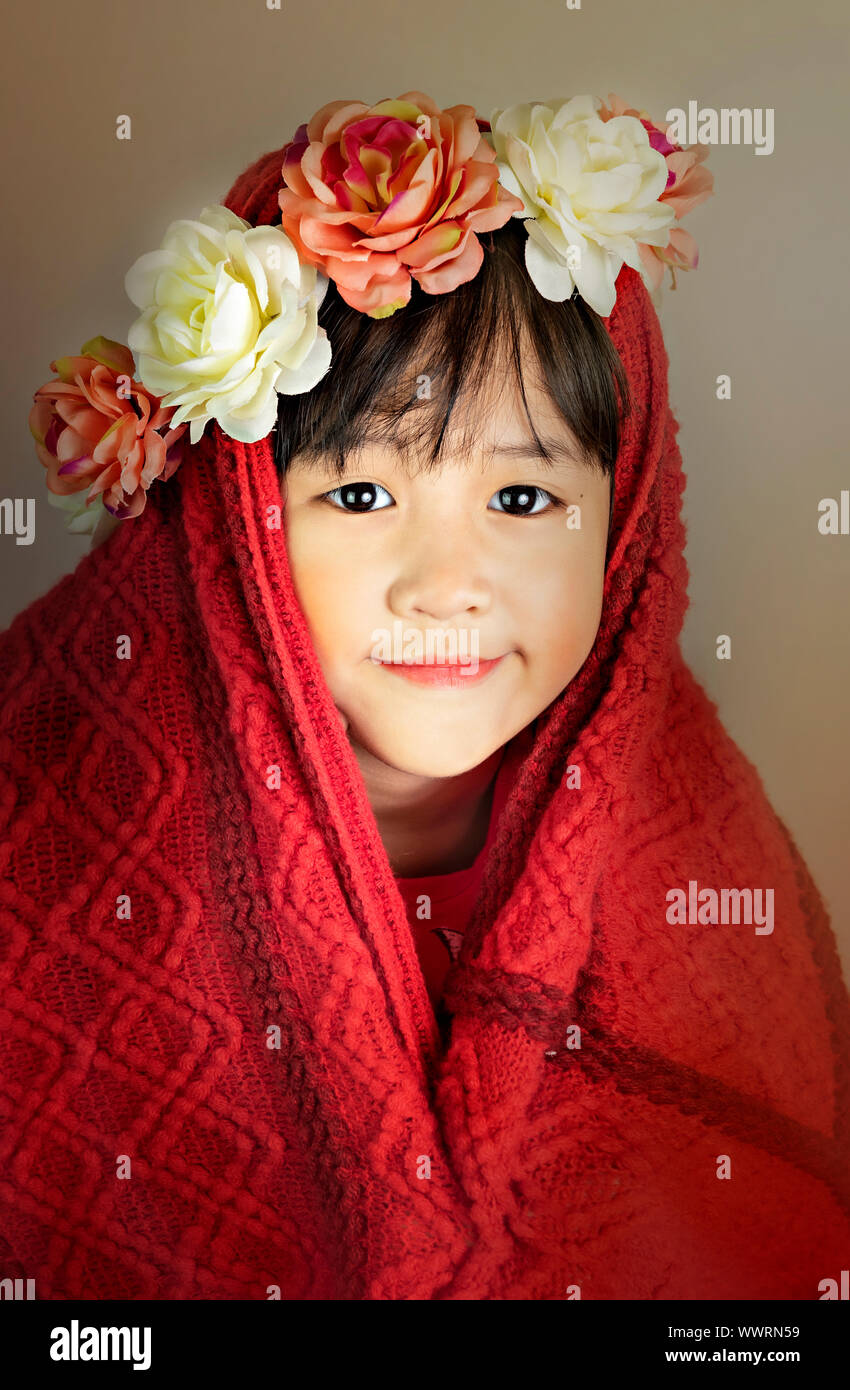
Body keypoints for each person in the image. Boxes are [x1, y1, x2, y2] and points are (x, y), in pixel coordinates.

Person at [2, 92, 849, 1300]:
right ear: (238, 522)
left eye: (522, 499)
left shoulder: (705, 876)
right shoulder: (47, 871)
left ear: (626, 528)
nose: (447, 586)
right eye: (359, 496)